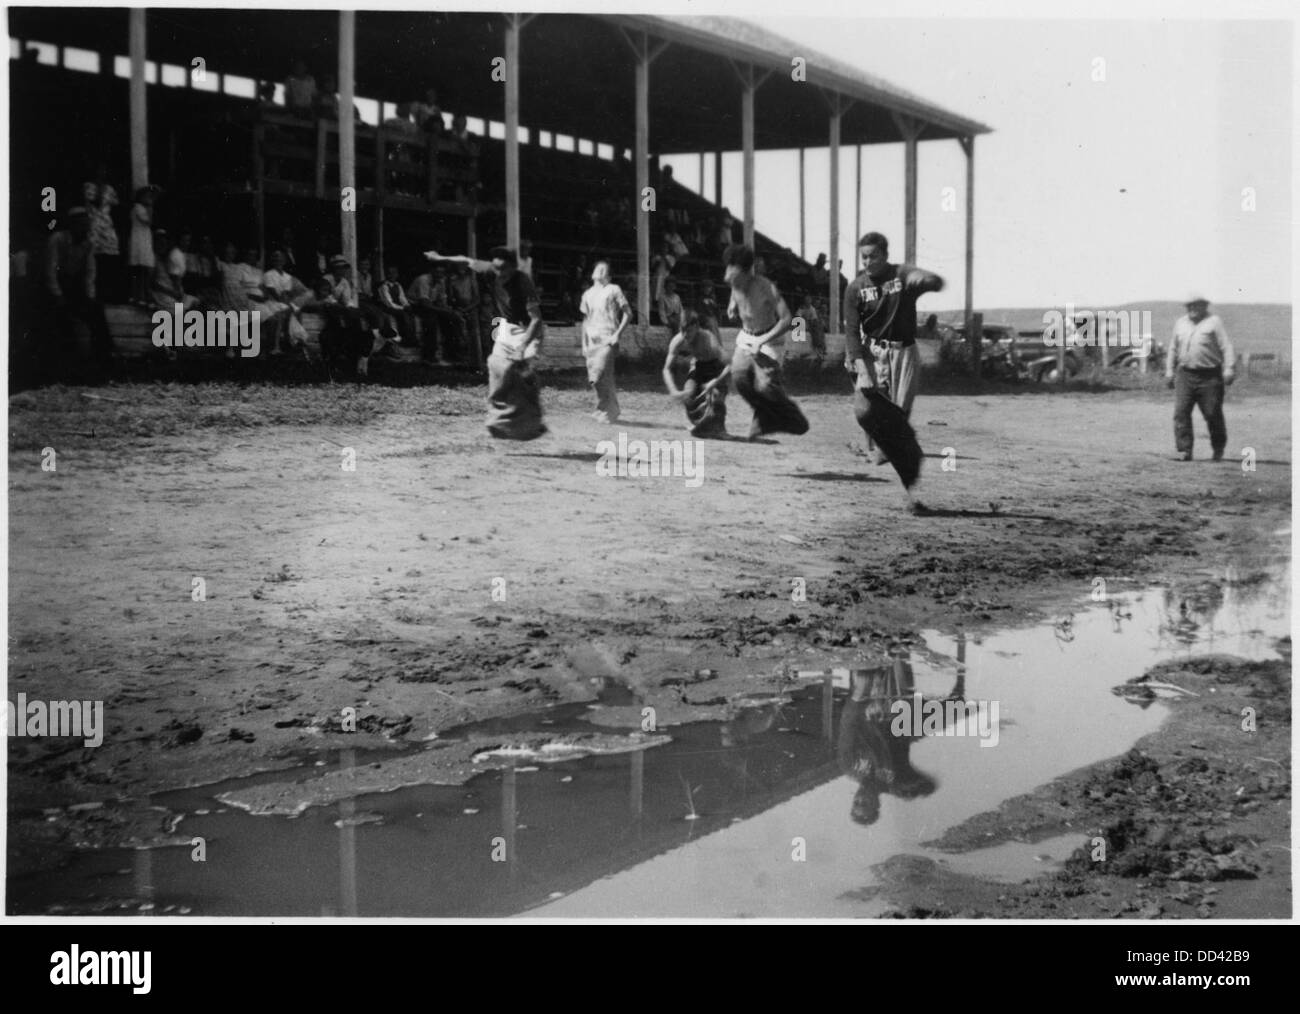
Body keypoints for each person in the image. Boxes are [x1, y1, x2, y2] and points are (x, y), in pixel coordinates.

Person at [842, 231, 944, 484]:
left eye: (873, 257)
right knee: (868, 408)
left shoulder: (900, 275)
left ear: (885, 255)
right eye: (863, 258)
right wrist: (862, 369)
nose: (867, 263)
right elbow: (852, 332)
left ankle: (897, 459)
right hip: (873, 351)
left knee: (899, 412)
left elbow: (927, 279)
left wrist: (928, 280)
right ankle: (878, 450)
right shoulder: (856, 288)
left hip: (904, 351)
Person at [425, 246, 546, 440]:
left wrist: (522, 347)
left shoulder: (523, 282)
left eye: (504, 270)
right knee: (497, 366)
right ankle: (499, 419)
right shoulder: (492, 269)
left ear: (513, 267)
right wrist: (440, 257)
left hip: (528, 329)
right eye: (496, 269)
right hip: (507, 327)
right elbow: (464, 259)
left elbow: (536, 320)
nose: (499, 274)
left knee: (525, 374)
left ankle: (533, 421)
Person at [723, 243, 809, 440]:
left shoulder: (765, 287)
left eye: (733, 271)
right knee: (739, 378)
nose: (729, 277)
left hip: (769, 339)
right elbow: (733, 291)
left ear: (746, 272)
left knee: (765, 388)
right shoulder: (734, 281)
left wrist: (761, 341)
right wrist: (731, 305)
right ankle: (764, 418)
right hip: (746, 337)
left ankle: (792, 417)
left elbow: (788, 319)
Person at [1166, 294, 1235, 461]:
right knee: (1181, 412)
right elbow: (1173, 348)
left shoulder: (1214, 322)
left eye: (1197, 305)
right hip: (1185, 374)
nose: (1192, 309)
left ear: (1205, 306)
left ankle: (1218, 448)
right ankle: (1184, 450)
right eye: (1190, 306)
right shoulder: (1180, 323)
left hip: (1210, 376)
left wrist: (1229, 368)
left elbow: (1226, 346)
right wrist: (1169, 370)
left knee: (1212, 413)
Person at [45, 207, 114, 370]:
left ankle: (102, 359)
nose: (86, 229)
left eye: (87, 225)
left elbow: (90, 273)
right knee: (61, 318)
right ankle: (70, 362)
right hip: (53, 287)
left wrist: (90, 296)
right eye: (82, 225)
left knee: (96, 310)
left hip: (73, 287)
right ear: (72, 225)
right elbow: (50, 270)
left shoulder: (88, 244)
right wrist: (57, 295)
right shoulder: (57, 239)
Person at [662, 309, 728, 439]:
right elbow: (666, 369)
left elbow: (729, 365)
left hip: (716, 368)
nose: (685, 335)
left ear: (697, 327)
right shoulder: (678, 340)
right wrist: (673, 390)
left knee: (716, 397)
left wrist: (715, 381)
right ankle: (700, 423)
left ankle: (720, 428)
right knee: (688, 394)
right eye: (682, 330)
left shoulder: (709, 339)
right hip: (698, 366)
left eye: (689, 331)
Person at [579, 260, 631, 423]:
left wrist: (617, 334)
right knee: (594, 378)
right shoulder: (586, 294)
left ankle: (610, 412)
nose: (600, 270)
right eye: (597, 268)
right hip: (592, 340)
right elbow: (586, 320)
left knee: (602, 373)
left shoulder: (613, 289)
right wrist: (583, 342)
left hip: (608, 337)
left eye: (604, 269)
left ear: (609, 276)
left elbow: (628, 314)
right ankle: (604, 408)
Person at [83, 168, 121, 303]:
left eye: (103, 172)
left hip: (106, 225)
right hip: (93, 224)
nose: (101, 174)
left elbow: (116, 202)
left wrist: (106, 191)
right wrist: (100, 189)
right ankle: (93, 295)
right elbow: (94, 201)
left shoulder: (109, 189)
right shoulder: (89, 186)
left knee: (108, 259)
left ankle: (107, 294)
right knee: (92, 260)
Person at [127, 186, 155, 306]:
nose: (149, 199)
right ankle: (139, 296)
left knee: (142, 269)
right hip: (139, 240)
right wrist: (150, 208)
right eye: (147, 196)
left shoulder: (140, 208)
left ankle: (140, 296)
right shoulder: (138, 208)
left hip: (143, 239)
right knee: (140, 269)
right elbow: (148, 221)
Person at [377, 263, 414, 343]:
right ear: (387, 274)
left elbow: (402, 298)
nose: (392, 275)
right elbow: (388, 302)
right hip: (387, 307)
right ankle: (403, 338)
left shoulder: (398, 285)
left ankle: (411, 337)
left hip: (397, 307)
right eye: (390, 273)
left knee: (410, 312)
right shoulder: (384, 286)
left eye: (394, 273)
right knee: (402, 314)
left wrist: (407, 305)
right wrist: (403, 308)